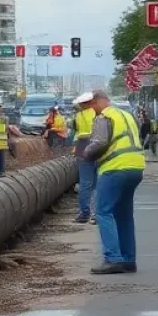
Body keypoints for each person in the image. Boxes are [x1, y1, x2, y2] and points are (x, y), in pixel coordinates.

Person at [82, 89, 145, 274]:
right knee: (124, 215)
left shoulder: (104, 117)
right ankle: (128, 259)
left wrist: (86, 154)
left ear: (98, 101)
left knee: (103, 212)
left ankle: (113, 258)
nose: (91, 109)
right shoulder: (127, 115)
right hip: (135, 167)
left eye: (92, 104)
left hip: (115, 168)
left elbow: (100, 142)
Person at [72, 91, 97, 224]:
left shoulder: (78, 116)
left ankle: (84, 213)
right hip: (96, 145)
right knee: (97, 184)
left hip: (81, 148)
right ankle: (95, 214)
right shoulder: (97, 114)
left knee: (85, 184)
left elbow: (75, 131)